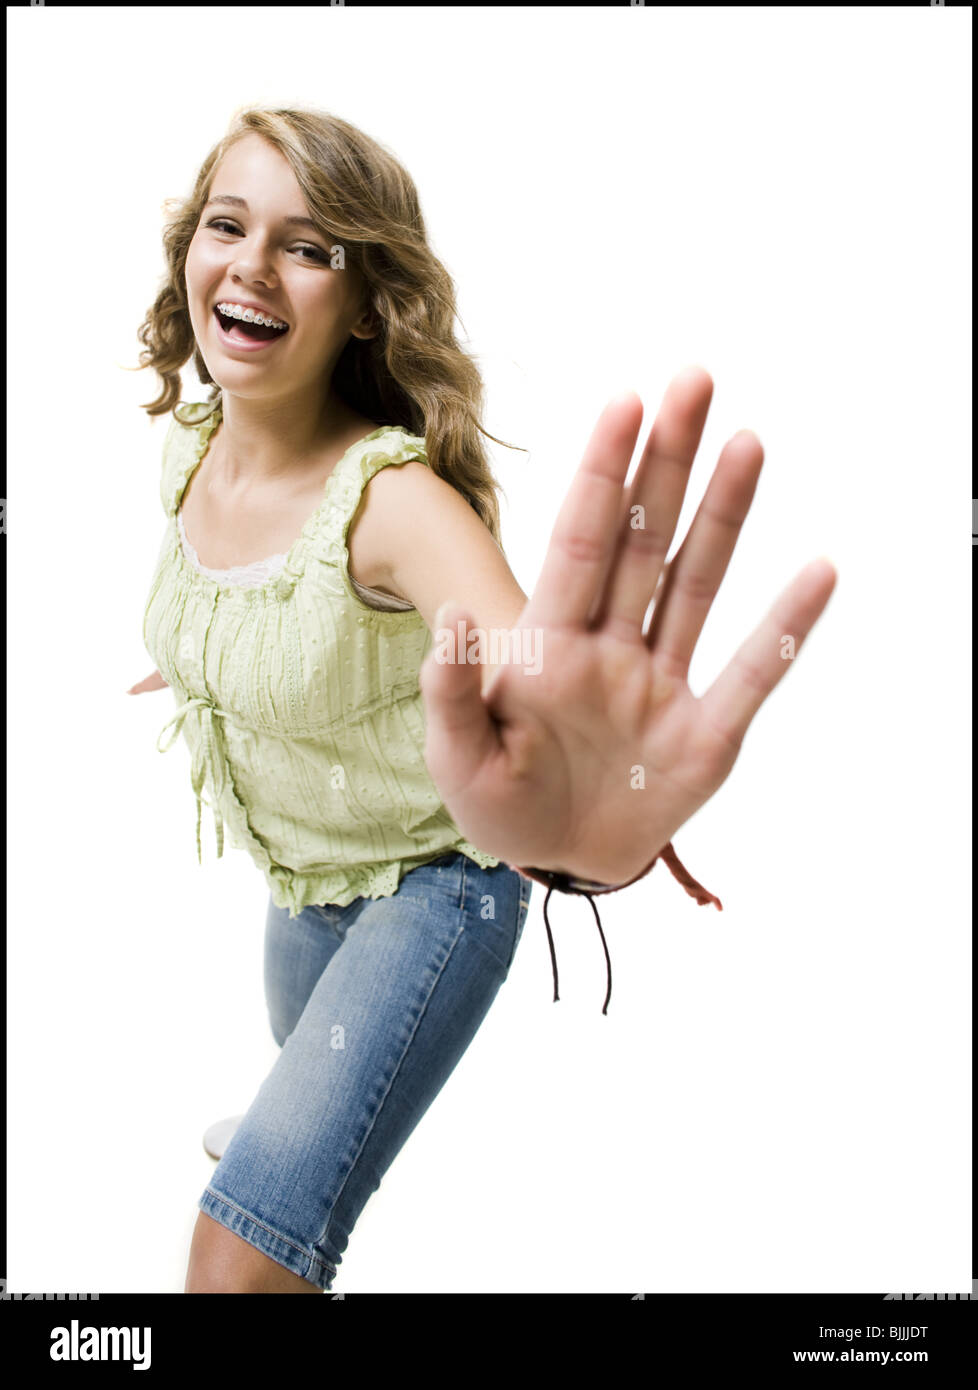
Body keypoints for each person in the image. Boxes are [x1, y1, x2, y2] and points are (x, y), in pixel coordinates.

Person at [127, 105, 837, 1294]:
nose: (250, 263)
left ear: (365, 301)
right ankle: (294, 1135)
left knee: (236, 1259)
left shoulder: (393, 502)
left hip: (437, 887)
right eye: (226, 224)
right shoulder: (200, 440)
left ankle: (277, 1184)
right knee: (295, 1083)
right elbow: (231, 577)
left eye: (308, 247)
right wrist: (210, 654)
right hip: (305, 882)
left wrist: (586, 816)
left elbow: (529, 680)